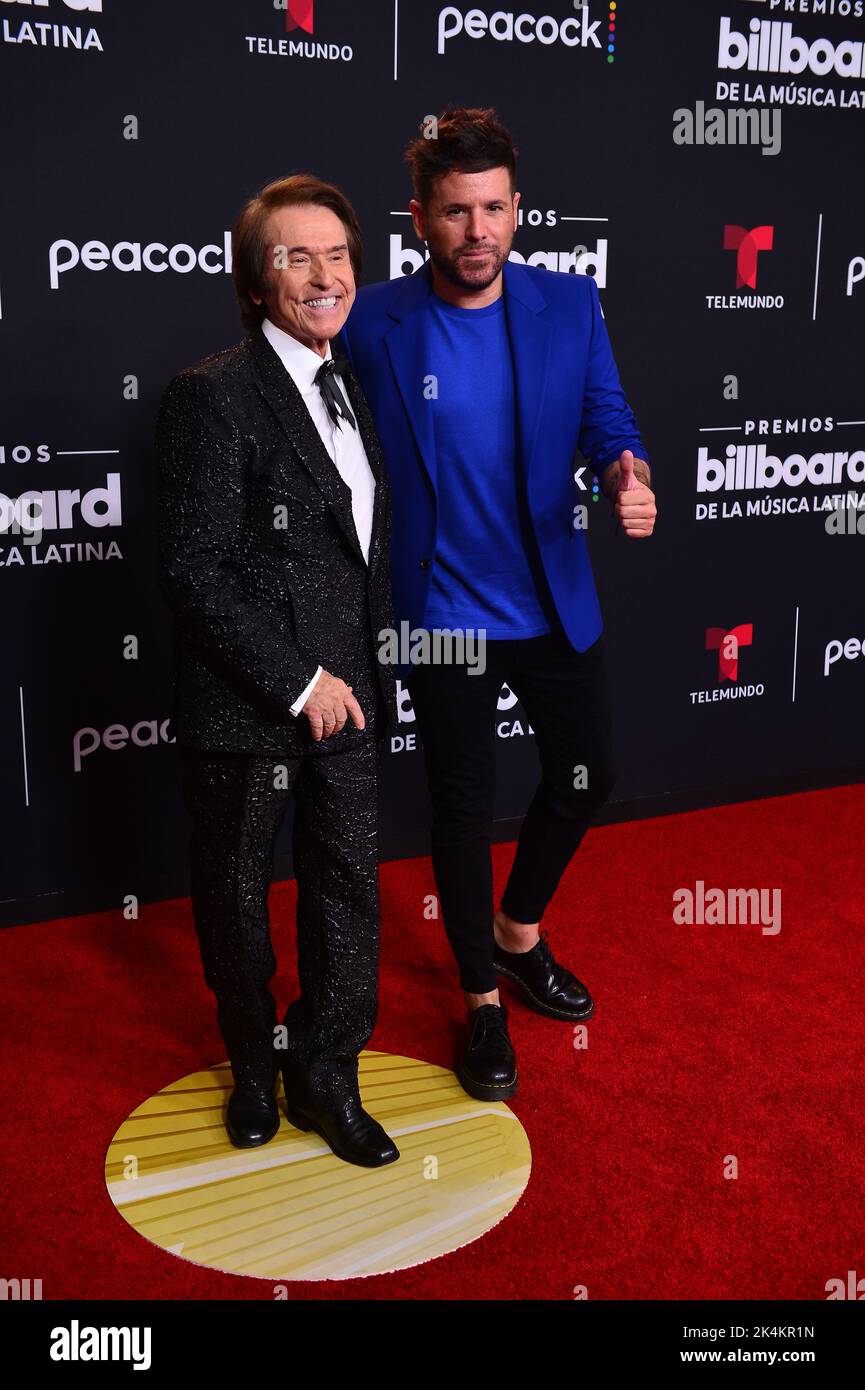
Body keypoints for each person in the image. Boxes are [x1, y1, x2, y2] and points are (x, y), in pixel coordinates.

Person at [338, 107, 657, 1102]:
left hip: (547, 596)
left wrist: (626, 472)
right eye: (453, 213)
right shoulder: (374, 320)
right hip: (439, 615)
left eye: (492, 209)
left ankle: (518, 932)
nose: (476, 231)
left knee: (587, 771)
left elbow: (607, 418)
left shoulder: (567, 307)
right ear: (418, 220)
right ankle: (479, 995)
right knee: (463, 803)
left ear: (517, 209)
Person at [156, 174, 400, 1166]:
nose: (323, 273)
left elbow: (353, 552)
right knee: (237, 895)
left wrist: (354, 675)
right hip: (250, 703)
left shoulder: (360, 385)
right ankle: (254, 1065)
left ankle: (327, 1073)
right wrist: (301, 682)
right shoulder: (210, 394)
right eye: (295, 257)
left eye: (337, 253)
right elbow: (195, 571)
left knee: (347, 892)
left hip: (349, 698)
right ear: (254, 282)